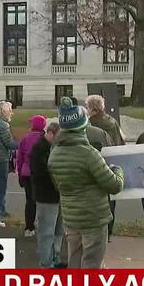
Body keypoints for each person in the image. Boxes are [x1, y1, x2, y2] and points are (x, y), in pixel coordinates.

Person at [49, 97, 124, 268]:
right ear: (83, 126)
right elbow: (115, 185)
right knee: (92, 263)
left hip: (71, 218)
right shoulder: (89, 155)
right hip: (93, 218)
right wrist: (117, 169)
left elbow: (58, 185)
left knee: (74, 261)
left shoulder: (54, 154)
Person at [86, 94, 124, 238]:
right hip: (111, 161)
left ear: (92, 108)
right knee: (110, 199)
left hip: (95, 162)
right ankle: (109, 230)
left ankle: (97, 230)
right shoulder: (112, 121)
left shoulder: (91, 124)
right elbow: (120, 141)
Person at [30, 122, 65, 268]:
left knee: (58, 231)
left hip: (57, 195)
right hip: (46, 196)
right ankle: (46, 262)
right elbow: (40, 172)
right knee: (46, 232)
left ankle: (55, 258)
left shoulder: (53, 148)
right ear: (50, 134)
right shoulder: (39, 148)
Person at [17, 115, 46, 237]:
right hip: (41, 173)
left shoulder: (25, 139)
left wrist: (19, 174)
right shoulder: (44, 139)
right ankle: (44, 226)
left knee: (30, 200)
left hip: (26, 173)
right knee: (43, 201)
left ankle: (29, 227)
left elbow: (19, 158)